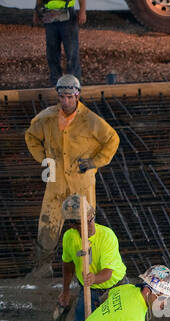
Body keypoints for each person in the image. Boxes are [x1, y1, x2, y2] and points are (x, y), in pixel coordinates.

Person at [57, 196, 164, 321]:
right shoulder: (69, 238)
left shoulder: (107, 236)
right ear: (72, 225)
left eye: (90, 220)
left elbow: (108, 271)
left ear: (92, 216)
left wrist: (94, 277)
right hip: (89, 291)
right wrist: (65, 291)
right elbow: (68, 264)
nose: (88, 226)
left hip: (116, 287)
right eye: (81, 224)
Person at [24, 74, 119, 276]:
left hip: (81, 181)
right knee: (48, 223)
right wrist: (43, 158)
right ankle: (42, 268)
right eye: (62, 97)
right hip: (56, 181)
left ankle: (88, 269)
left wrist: (94, 162)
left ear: (77, 96)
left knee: (85, 225)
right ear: (58, 97)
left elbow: (112, 139)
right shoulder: (47, 118)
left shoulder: (91, 121)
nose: (66, 101)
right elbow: (31, 136)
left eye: (70, 96)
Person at [33, 0, 84, 88]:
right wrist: (36, 12)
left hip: (67, 14)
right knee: (52, 52)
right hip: (49, 14)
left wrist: (82, 11)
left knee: (71, 53)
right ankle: (55, 83)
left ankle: (73, 84)